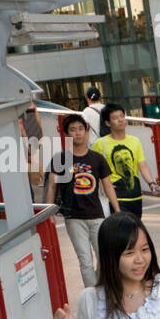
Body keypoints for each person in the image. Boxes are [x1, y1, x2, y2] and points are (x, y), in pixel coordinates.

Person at [47, 113, 119, 287]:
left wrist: (117, 210)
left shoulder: (97, 158)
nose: (78, 133)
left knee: (104, 256)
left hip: (96, 214)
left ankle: (100, 287)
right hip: (74, 217)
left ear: (87, 131)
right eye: (73, 129)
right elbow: (51, 186)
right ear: (67, 134)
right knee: (85, 260)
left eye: (81, 129)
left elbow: (108, 186)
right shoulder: (60, 159)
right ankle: (92, 294)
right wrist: (49, 212)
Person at [96, 103, 156, 218]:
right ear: (107, 123)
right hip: (116, 197)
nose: (120, 120)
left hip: (135, 196)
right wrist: (101, 184)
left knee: (135, 230)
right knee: (121, 231)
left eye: (122, 116)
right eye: (115, 118)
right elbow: (93, 167)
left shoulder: (135, 141)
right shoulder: (101, 144)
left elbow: (142, 166)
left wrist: (151, 183)